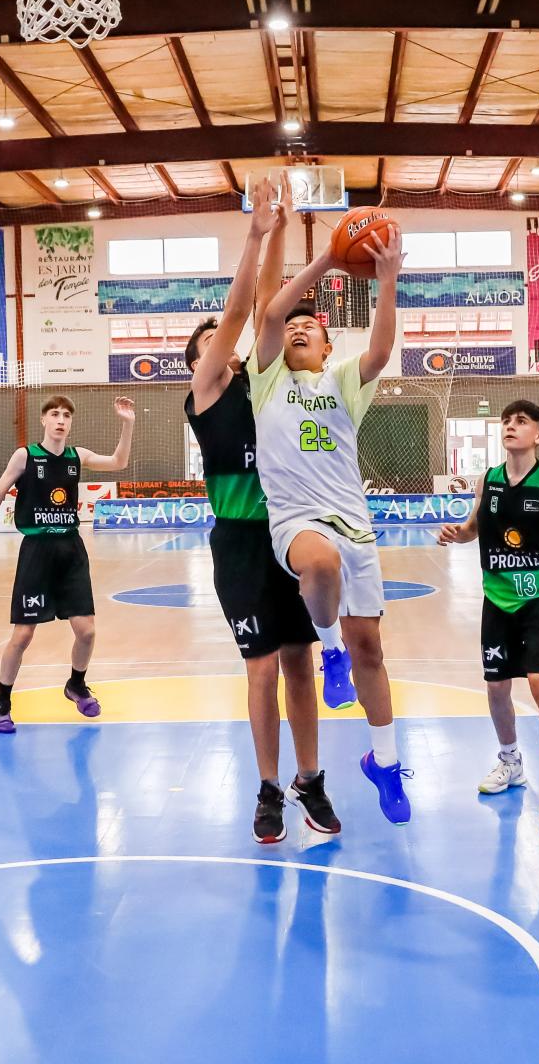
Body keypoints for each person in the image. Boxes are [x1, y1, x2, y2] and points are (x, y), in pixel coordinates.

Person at [183, 177, 340, 843]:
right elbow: (240, 318)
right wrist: (252, 235)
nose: (224, 347)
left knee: (300, 662)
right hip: (241, 545)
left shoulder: (268, 383)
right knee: (262, 666)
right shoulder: (205, 395)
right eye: (211, 345)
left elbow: (269, 306)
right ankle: (268, 788)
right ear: (199, 363)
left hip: (289, 532)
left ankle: (311, 779)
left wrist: (277, 229)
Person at [251, 215, 412, 824]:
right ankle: (329, 652)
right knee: (319, 563)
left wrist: (387, 280)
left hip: (354, 521)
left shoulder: (344, 382)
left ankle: (386, 763)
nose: (295, 329)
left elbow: (380, 350)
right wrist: (326, 262)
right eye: (291, 327)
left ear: (325, 346)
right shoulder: (266, 383)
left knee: (372, 646)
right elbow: (268, 316)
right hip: (296, 520)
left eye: (308, 328)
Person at [439, 399, 539, 818]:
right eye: (507, 421)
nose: (511, 426)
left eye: (522, 421)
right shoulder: (487, 481)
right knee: (496, 687)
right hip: (498, 598)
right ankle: (510, 762)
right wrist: (456, 535)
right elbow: (473, 530)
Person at [0, 395, 135, 730]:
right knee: (23, 635)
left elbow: (118, 462)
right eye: (55, 414)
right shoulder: (25, 456)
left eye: (66, 416)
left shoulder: (78, 456)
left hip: (71, 550)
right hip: (37, 551)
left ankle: (76, 684)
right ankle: (1, 703)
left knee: (86, 631)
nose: (61, 420)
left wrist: (127, 424)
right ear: (43, 420)